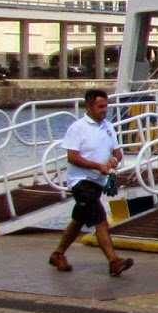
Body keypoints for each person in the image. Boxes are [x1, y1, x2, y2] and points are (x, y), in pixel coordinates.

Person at [48, 88, 133, 277]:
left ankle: (58, 254)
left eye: (106, 106)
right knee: (100, 218)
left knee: (79, 219)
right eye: (101, 106)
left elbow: (117, 152)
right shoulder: (78, 128)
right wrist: (97, 166)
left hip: (98, 182)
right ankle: (113, 261)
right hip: (81, 181)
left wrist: (113, 162)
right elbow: (72, 157)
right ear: (89, 106)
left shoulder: (108, 127)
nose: (105, 110)